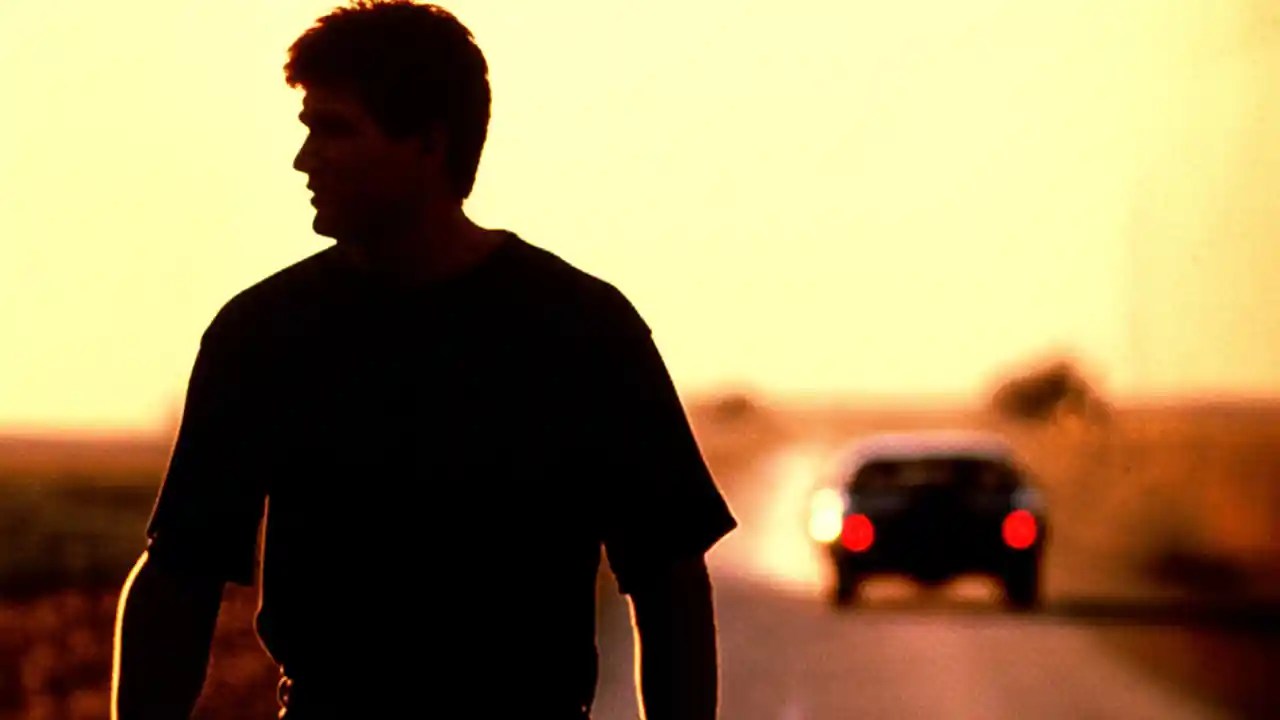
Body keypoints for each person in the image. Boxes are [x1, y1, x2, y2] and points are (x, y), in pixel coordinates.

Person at [110, 2, 737, 718]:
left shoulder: (583, 329)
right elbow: (178, 578)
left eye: (335, 130)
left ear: (429, 143)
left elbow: (670, 584)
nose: (305, 159)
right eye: (308, 130)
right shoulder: (263, 334)